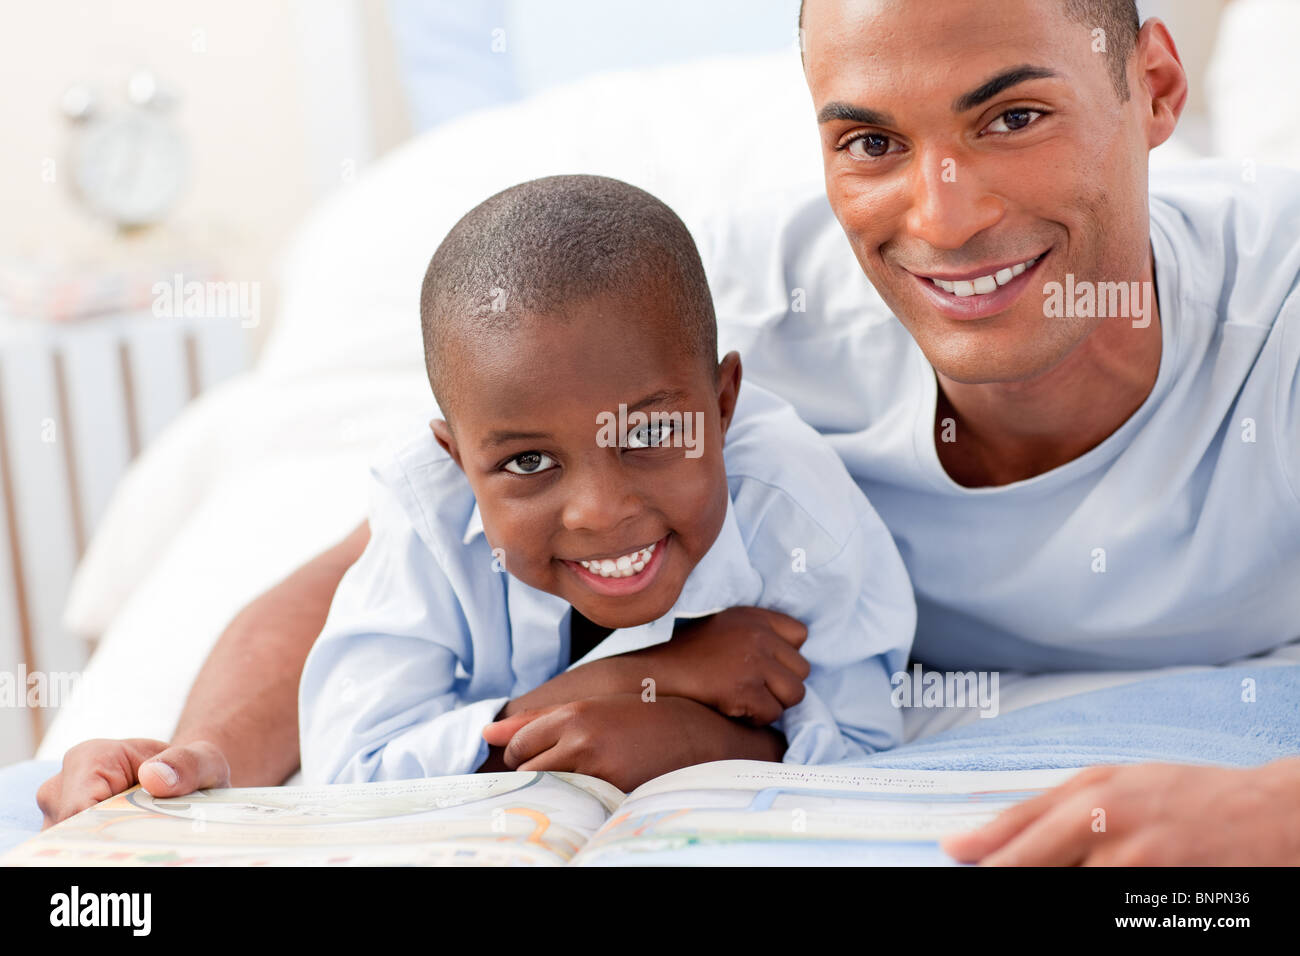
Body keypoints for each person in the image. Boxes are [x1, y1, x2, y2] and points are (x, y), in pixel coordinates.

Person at [38, 0, 1300, 865]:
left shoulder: (1279, 299)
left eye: (1012, 118)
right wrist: (189, 761)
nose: (944, 215)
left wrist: (1268, 814)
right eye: (869, 141)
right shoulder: (716, 323)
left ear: (1153, 87)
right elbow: (362, 576)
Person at [297, 173, 913, 791]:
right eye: (529, 463)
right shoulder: (431, 511)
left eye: (647, 436)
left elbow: (864, 743)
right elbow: (352, 772)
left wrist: (697, 743)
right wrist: (640, 680)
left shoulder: (791, 507)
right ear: (457, 462)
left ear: (723, 406)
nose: (598, 511)